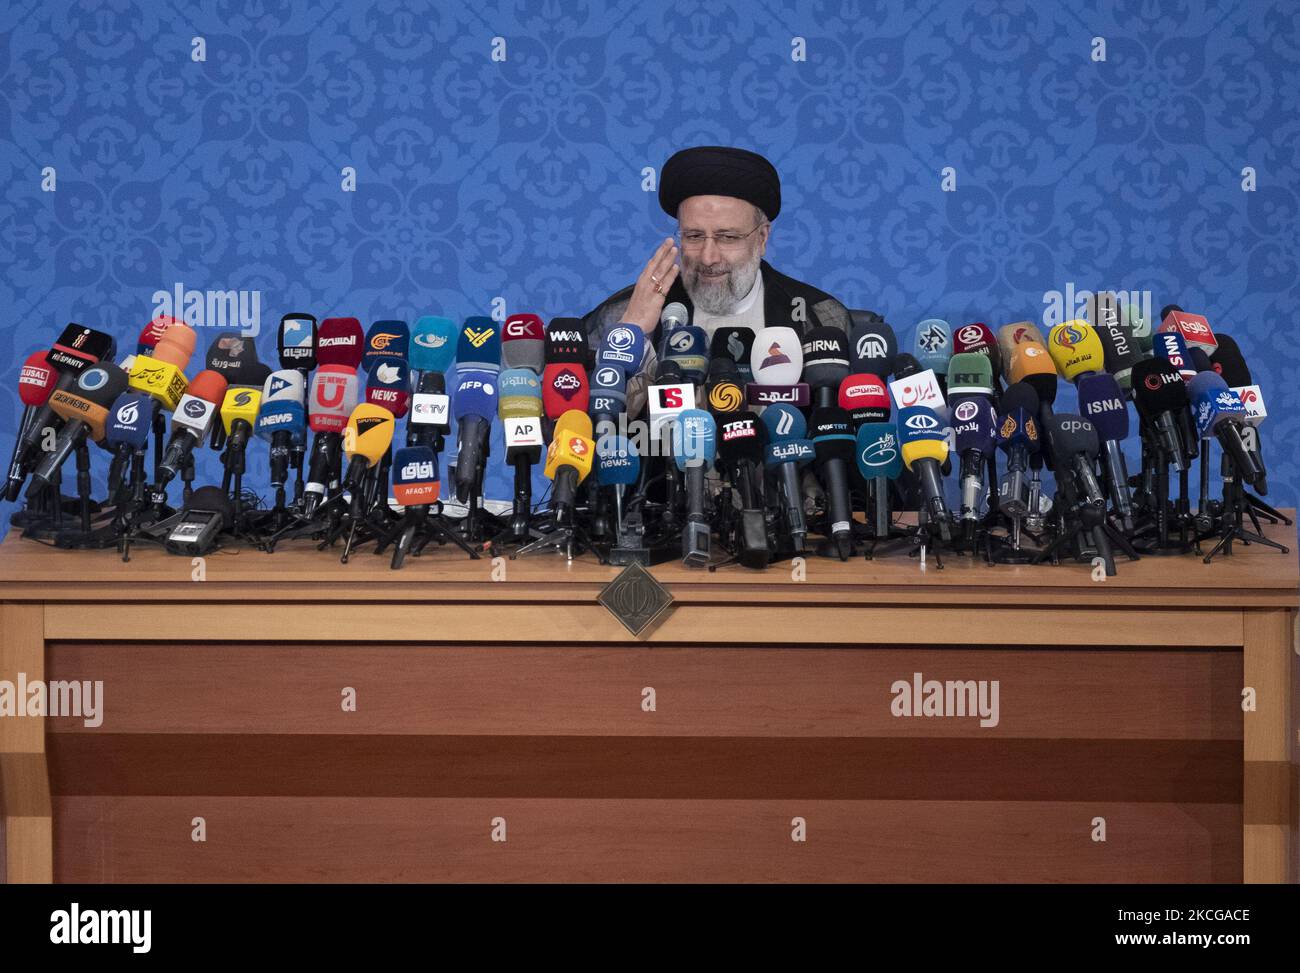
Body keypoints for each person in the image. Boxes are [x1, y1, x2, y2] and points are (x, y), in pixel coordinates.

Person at [580, 145, 851, 414]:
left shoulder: (821, 317)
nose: (708, 258)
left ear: (762, 238)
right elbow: (581, 430)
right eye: (694, 236)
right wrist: (635, 333)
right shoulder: (619, 315)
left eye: (728, 237)